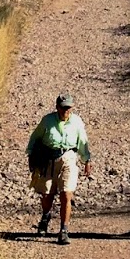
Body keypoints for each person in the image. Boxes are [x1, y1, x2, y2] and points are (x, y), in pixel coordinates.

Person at [27, 93, 92, 244]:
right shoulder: (47, 121)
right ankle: (46, 216)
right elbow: (35, 138)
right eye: (63, 108)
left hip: (68, 158)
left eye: (68, 108)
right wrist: (31, 155)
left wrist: (86, 160)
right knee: (47, 195)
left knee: (66, 195)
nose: (65, 111)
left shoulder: (77, 122)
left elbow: (82, 141)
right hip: (48, 160)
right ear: (57, 107)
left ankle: (64, 230)